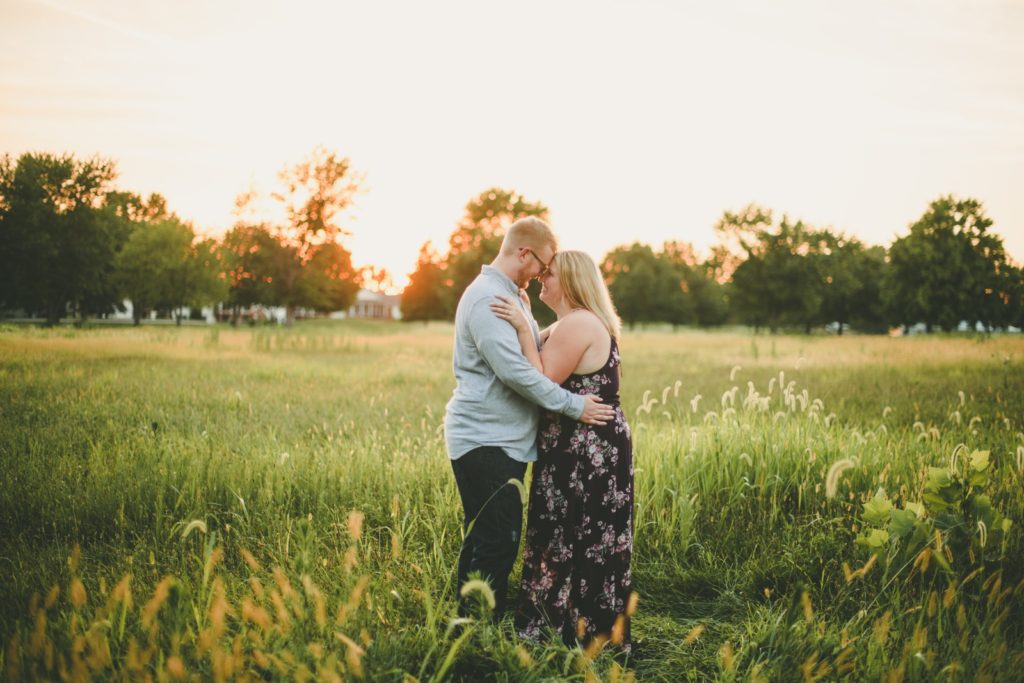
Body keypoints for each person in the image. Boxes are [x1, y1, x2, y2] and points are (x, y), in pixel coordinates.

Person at [444, 218, 616, 619]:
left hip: (503, 438)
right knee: (497, 538)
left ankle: (467, 621)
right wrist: (575, 406)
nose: (543, 273)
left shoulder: (513, 296)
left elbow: (529, 354)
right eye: (543, 263)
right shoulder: (487, 298)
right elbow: (517, 373)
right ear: (524, 253)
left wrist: (536, 330)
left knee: (484, 533)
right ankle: (478, 627)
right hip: (486, 439)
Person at [490, 250, 634, 653]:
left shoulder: (580, 323)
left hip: (588, 450)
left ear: (570, 281)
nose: (541, 278)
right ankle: (568, 628)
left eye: (548, 274)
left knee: (579, 534)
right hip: (573, 446)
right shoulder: (566, 324)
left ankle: (579, 633)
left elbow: (541, 377)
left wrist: (523, 327)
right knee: (565, 532)